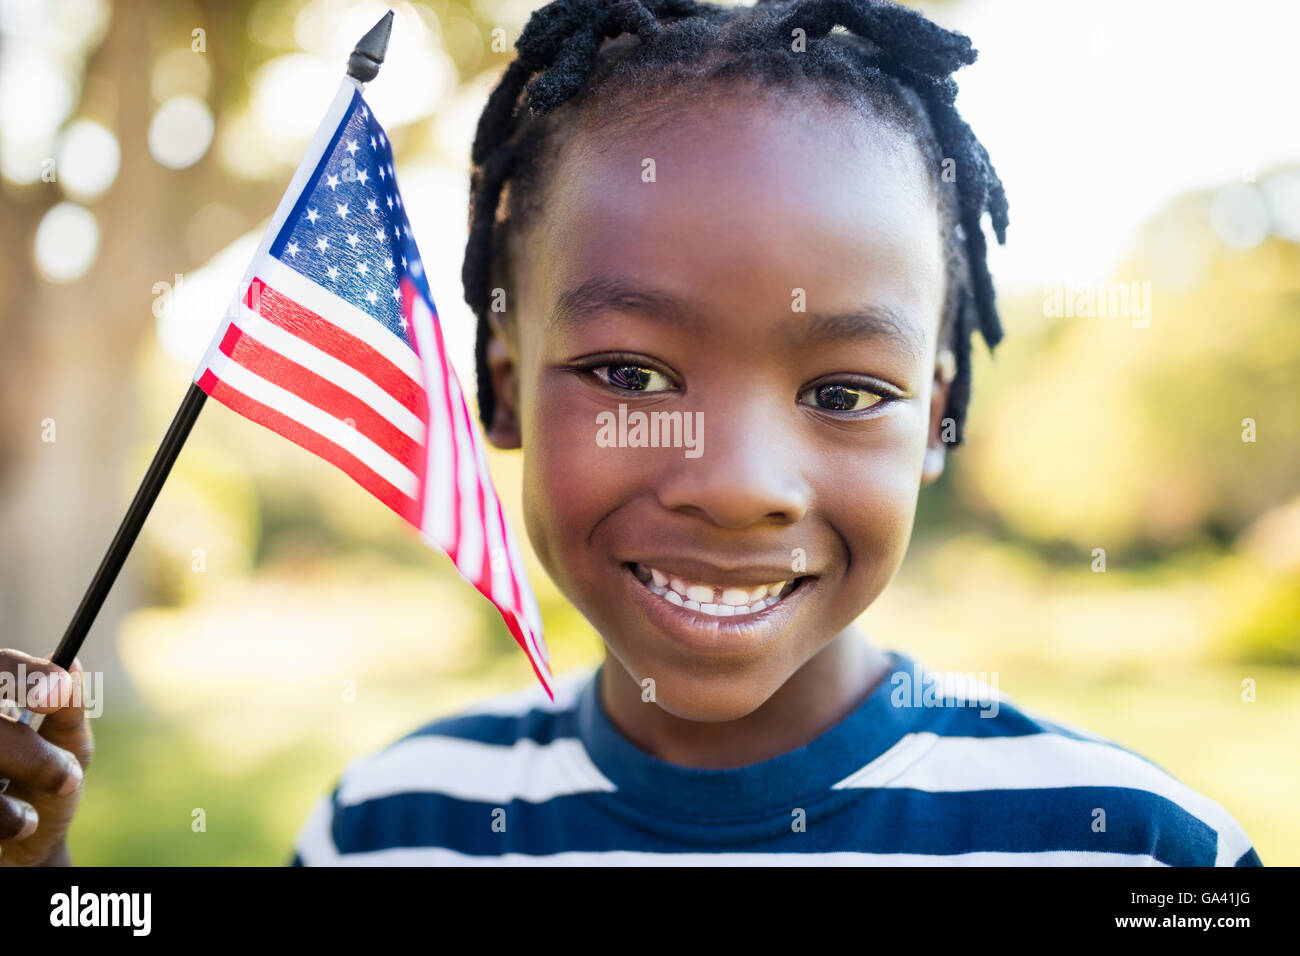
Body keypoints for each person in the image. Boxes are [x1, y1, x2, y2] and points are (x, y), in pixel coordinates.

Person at [0, 0, 1261, 867]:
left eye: (843, 391)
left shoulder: (1129, 843)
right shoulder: (390, 826)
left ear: (938, 417)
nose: (740, 484)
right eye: (630, 369)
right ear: (496, 389)